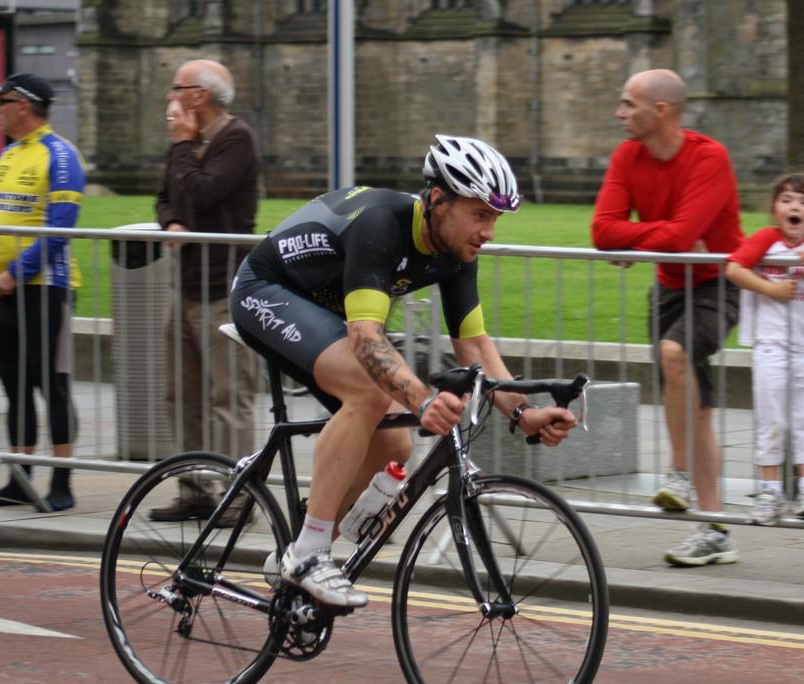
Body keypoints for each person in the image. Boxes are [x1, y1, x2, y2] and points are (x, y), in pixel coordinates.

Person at [231, 134, 578, 607]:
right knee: (371, 394)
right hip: (268, 292)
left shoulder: (456, 251)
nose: (490, 231)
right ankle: (308, 553)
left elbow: (474, 344)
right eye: (480, 214)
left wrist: (525, 413)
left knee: (395, 442)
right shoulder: (381, 225)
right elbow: (365, 338)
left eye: (495, 218)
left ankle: (297, 552)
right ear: (437, 200)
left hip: (328, 312)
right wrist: (423, 399)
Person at [591, 69, 744, 567]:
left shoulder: (709, 157)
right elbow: (602, 231)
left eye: (628, 103)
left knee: (674, 354)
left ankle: (677, 474)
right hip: (670, 287)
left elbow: (679, 238)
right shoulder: (627, 155)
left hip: (718, 282)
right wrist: (660, 237)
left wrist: (640, 239)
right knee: (696, 409)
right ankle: (715, 530)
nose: (619, 113)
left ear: (661, 110)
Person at [148, 59, 258, 527]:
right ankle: (194, 491)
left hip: (223, 292)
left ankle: (240, 497)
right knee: (182, 396)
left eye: (177, 88)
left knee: (228, 399)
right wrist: (171, 221)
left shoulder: (236, 138)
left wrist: (181, 145)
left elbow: (204, 192)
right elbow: (166, 197)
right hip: (185, 287)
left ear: (199, 95)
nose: (169, 97)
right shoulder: (186, 144)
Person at [0, 73, 85, 511]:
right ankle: (19, 480)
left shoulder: (60, 154)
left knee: (51, 385)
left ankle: (62, 482)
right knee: (14, 384)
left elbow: (60, 227)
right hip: (4, 289)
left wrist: (17, 273)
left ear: (22, 104)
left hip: (47, 288)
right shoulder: (8, 154)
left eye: (1, 102)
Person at [726, 173, 804, 525]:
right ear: (775, 209)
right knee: (770, 419)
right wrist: (771, 290)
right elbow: (734, 269)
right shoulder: (766, 239)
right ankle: (769, 491)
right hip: (771, 346)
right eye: (787, 200)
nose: (795, 207)